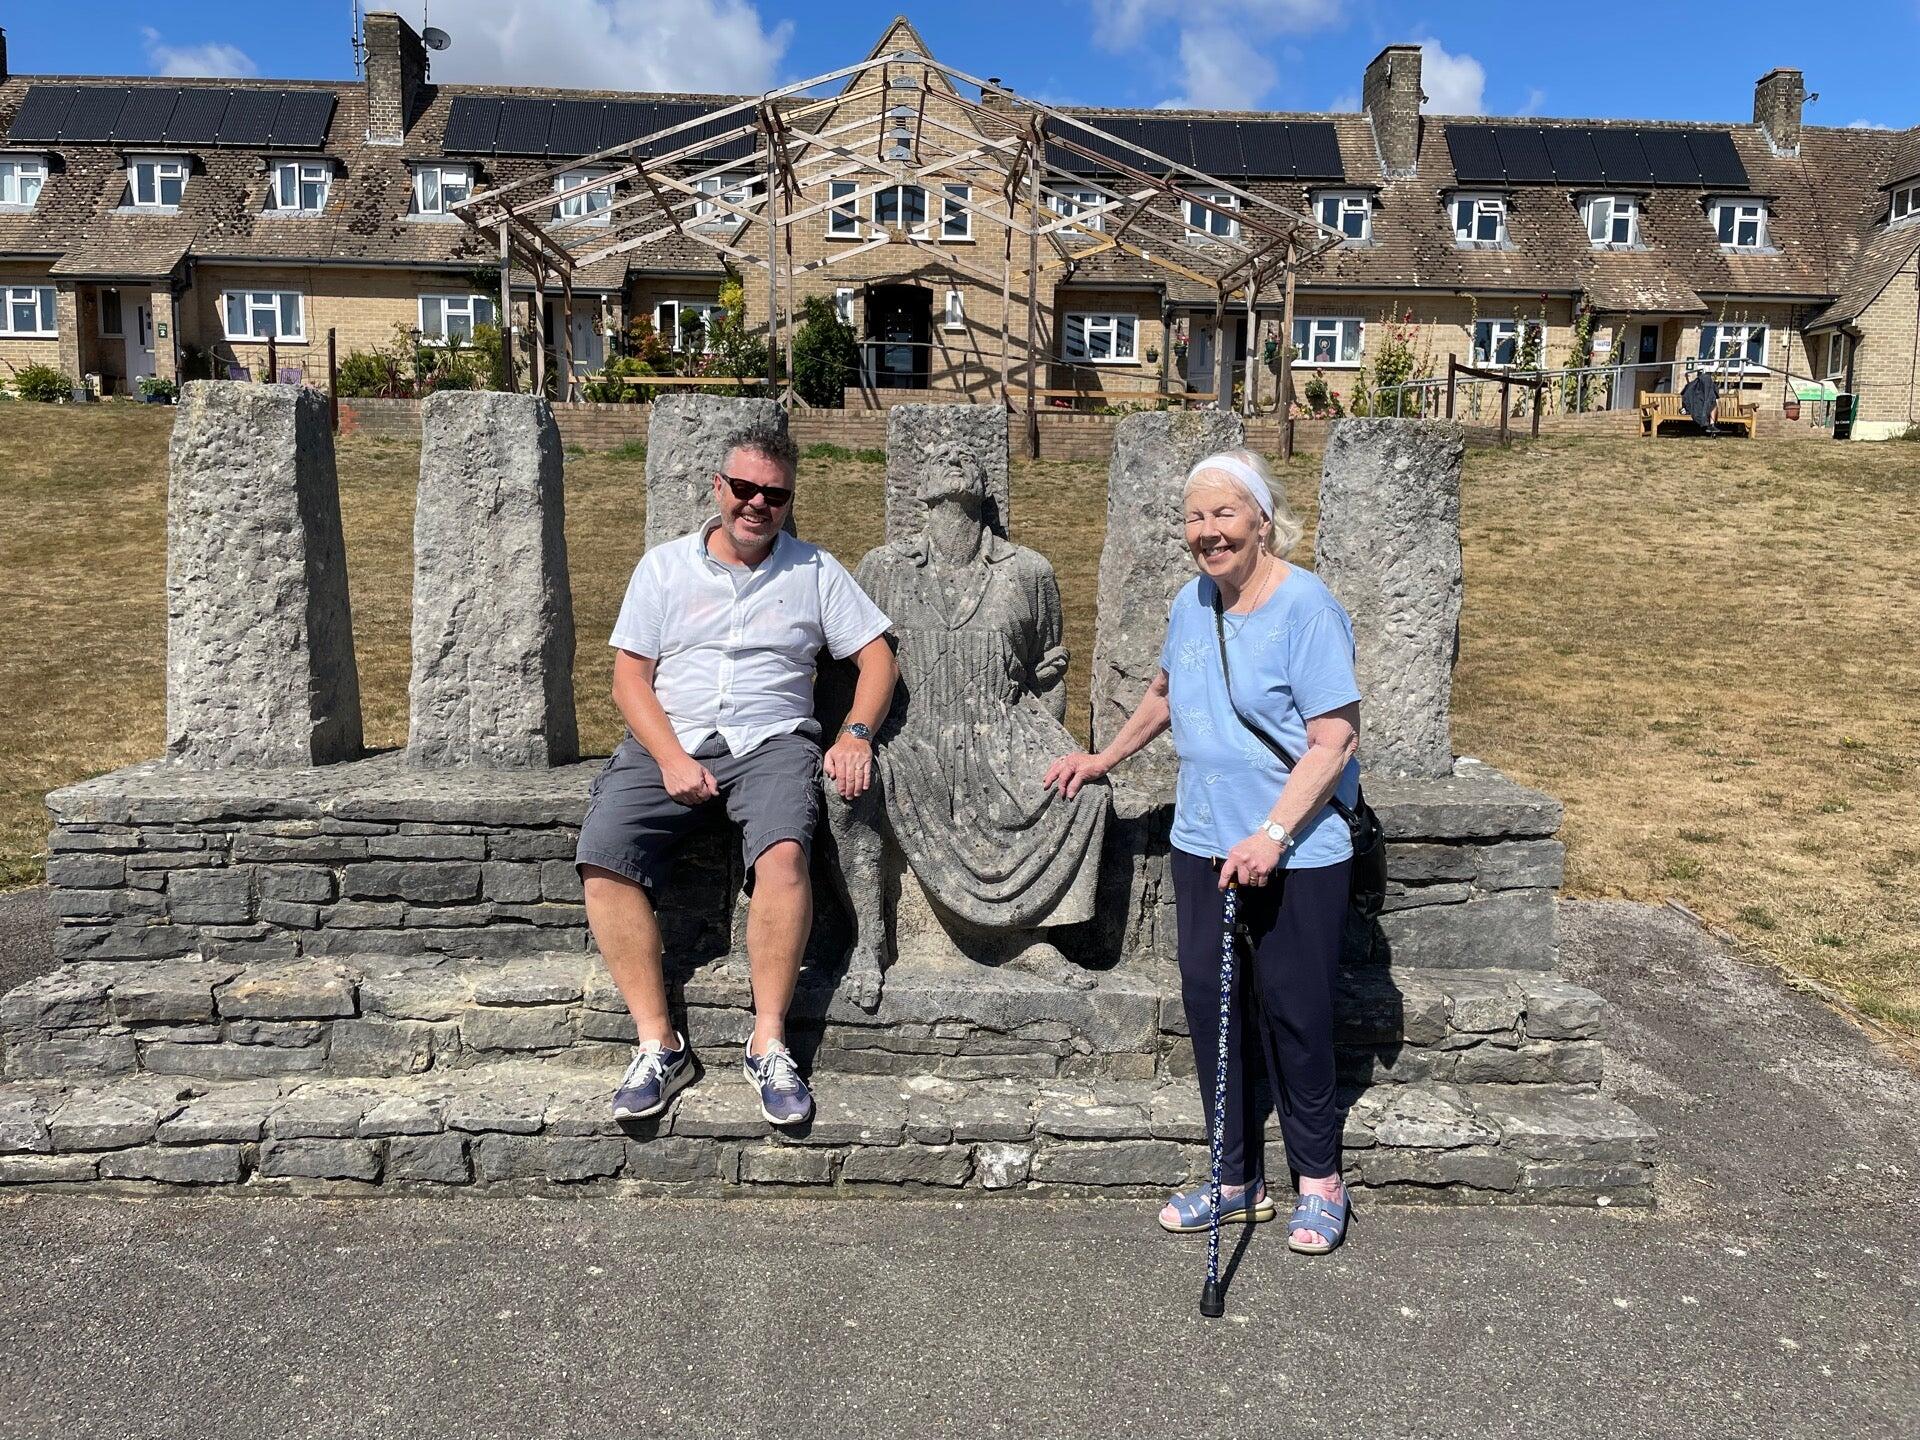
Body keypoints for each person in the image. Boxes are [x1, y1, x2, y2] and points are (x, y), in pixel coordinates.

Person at [1045, 449, 1362, 1255]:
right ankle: (1235, 1180)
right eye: (1195, 517)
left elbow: (1335, 740)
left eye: (1224, 513)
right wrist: (1104, 759)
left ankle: (1321, 1181)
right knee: (1212, 1011)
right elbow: (1164, 694)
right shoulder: (1192, 603)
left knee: (1295, 1011)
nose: (1208, 531)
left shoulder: (1307, 607)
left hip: (1299, 850)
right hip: (1203, 840)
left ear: (1262, 520)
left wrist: (1273, 834)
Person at [575, 421, 898, 1127]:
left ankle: (768, 1042)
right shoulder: (663, 567)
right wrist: (670, 758)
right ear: (718, 487)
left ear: (789, 501)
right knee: (604, 856)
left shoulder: (815, 570)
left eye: (774, 495)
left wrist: (855, 733)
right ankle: (659, 1044)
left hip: (772, 742)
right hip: (671, 736)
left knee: (784, 856)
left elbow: (878, 657)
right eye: (745, 488)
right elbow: (629, 679)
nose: (757, 504)